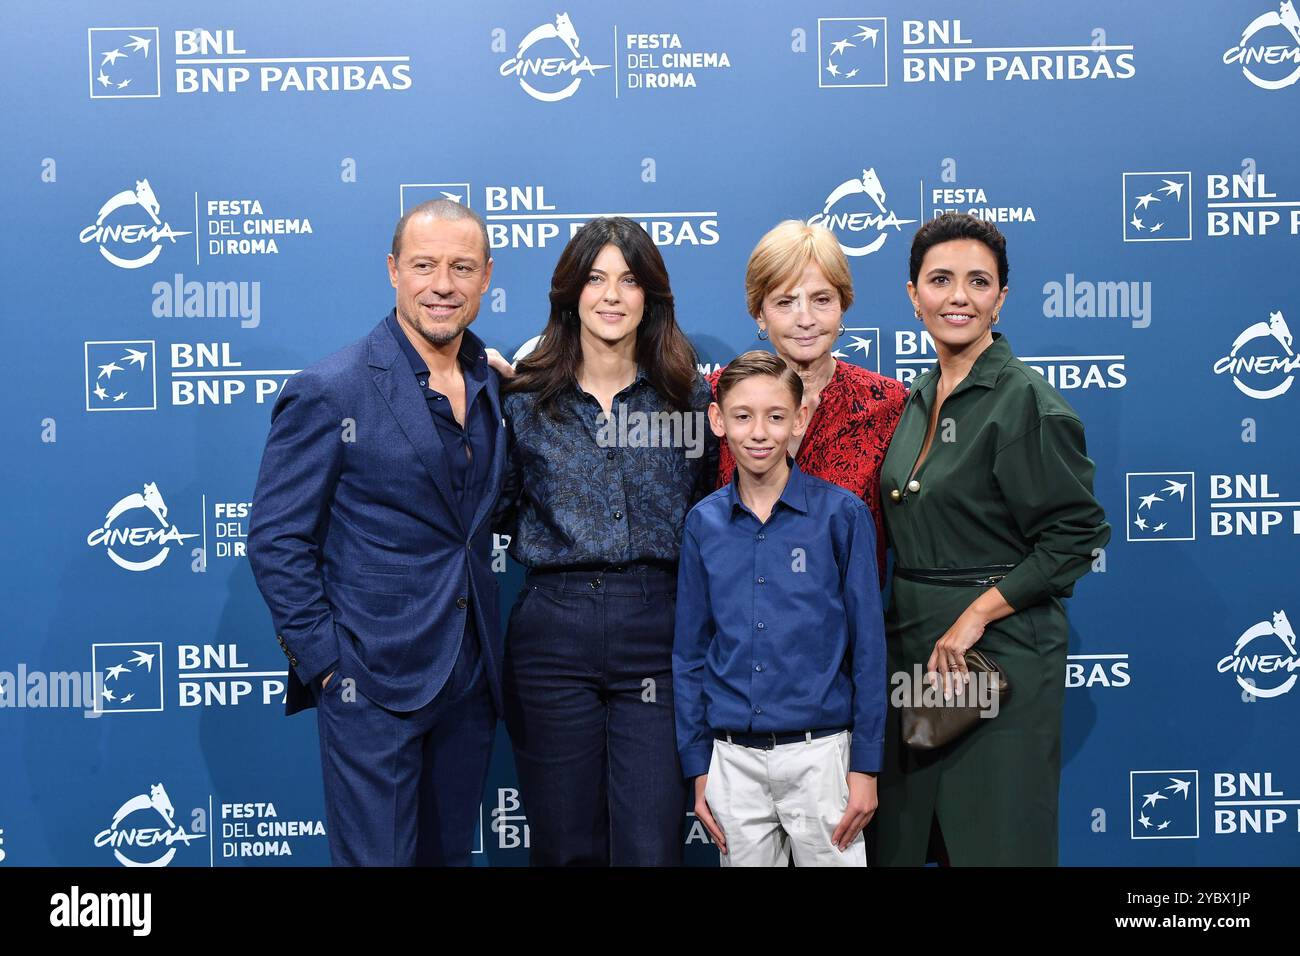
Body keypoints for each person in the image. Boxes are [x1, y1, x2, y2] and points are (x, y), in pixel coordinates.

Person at [247, 199, 504, 866]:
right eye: (423, 265)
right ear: (393, 271)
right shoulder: (331, 389)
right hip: (370, 684)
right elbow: (276, 539)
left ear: (486, 278)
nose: (442, 284)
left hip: (470, 678)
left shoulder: (497, 387)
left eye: (461, 267)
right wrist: (329, 665)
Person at [872, 212, 1111, 866]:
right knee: (907, 841)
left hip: (999, 660)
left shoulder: (1026, 401)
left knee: (996, 844)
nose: (958, 297)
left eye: (978, 282)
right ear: (912, 293)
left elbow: (1078, 537)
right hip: (915, 657)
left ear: (1001, 297)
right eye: (940, 279)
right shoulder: (916, 397)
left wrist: (978, 613)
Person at [495, 216, 717, 866]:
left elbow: (710, 510)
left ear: (651, 295)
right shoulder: (524, 401)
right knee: (567, 849)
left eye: (629, 279)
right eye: (595, 279)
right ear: (571, 293)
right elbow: (497, 506)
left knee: (651, 849)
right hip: (551, 640)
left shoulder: (688, 398)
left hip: (659, 629)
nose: (612, 295)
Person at [674, 351, 886, 867]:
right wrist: (699, 764)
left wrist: (866, 767)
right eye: (743, 416)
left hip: (823, 756)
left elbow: (870, 650)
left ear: (800, 420)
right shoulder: (704, 524)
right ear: (718, 421)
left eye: (775, 416)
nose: (759, 432)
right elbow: (689, 653)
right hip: (732, 761)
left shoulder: (842, 516)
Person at [707, 220, 906, 575]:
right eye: (785, 302)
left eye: (821, 299)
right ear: (759, 313)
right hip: (737, 617)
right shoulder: (715, 394)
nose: (806, 319)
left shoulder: (887, 402)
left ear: (842, 305)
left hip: (845, 618)